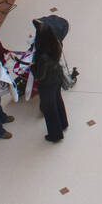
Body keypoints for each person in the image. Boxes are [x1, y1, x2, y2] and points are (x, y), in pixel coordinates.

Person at [32, 16, 70, 144]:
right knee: (58, 100)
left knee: (49, 108)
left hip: (47, 82)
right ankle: (63, 123)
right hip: (57, 77)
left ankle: (55, 134)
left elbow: (40, 74)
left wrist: (33, 68)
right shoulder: (56, 44)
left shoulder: (43, 55)